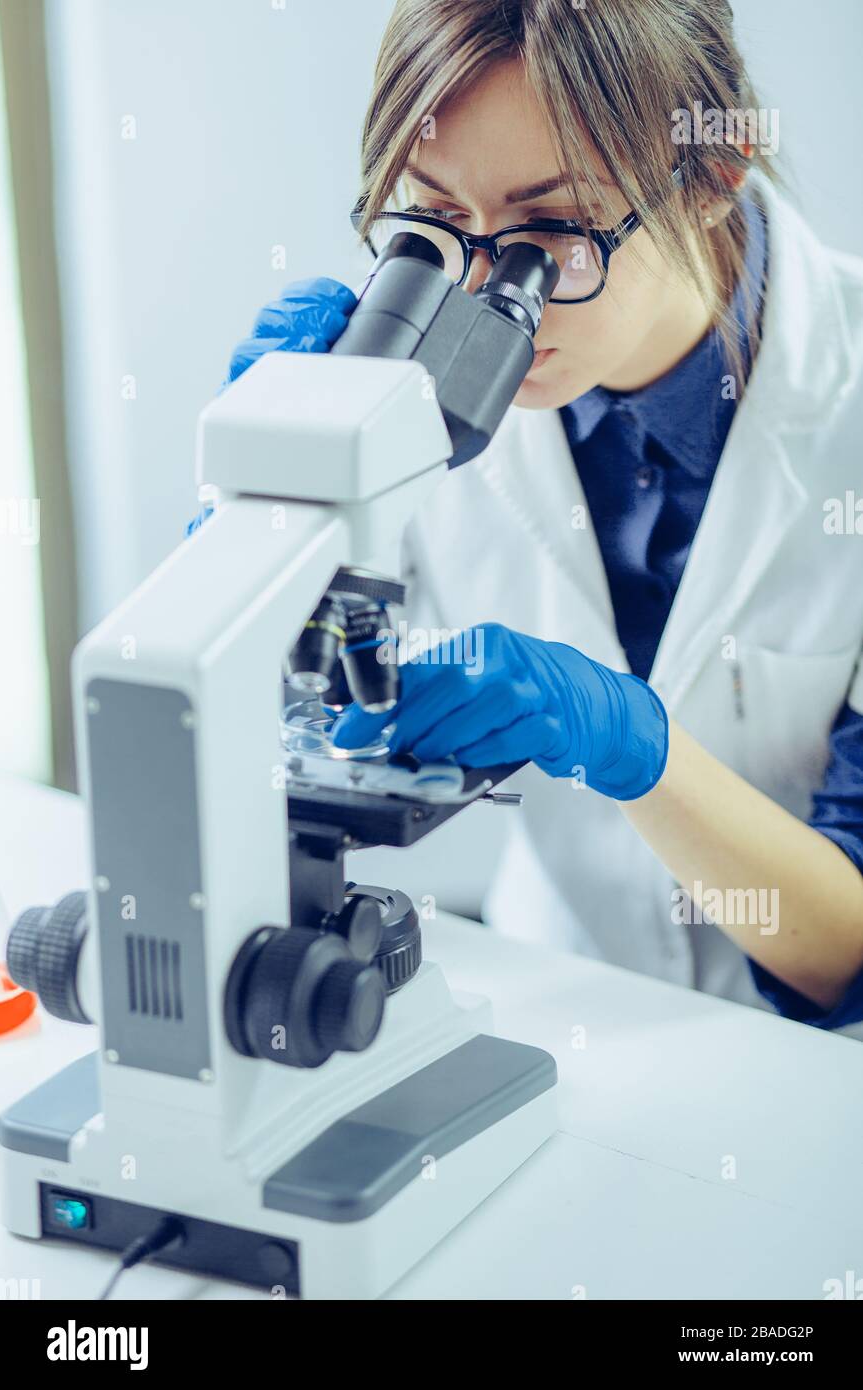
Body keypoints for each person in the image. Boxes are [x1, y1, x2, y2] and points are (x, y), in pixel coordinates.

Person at [192, 0, 863, 1034]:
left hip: (806, 1070)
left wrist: (635, 747)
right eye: (437, 222)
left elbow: (849, 951)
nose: (482, 290)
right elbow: (281, 705)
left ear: (715, 173)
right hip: (556, 1005)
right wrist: (263, 494)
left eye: (549, 232)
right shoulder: (407, 379)